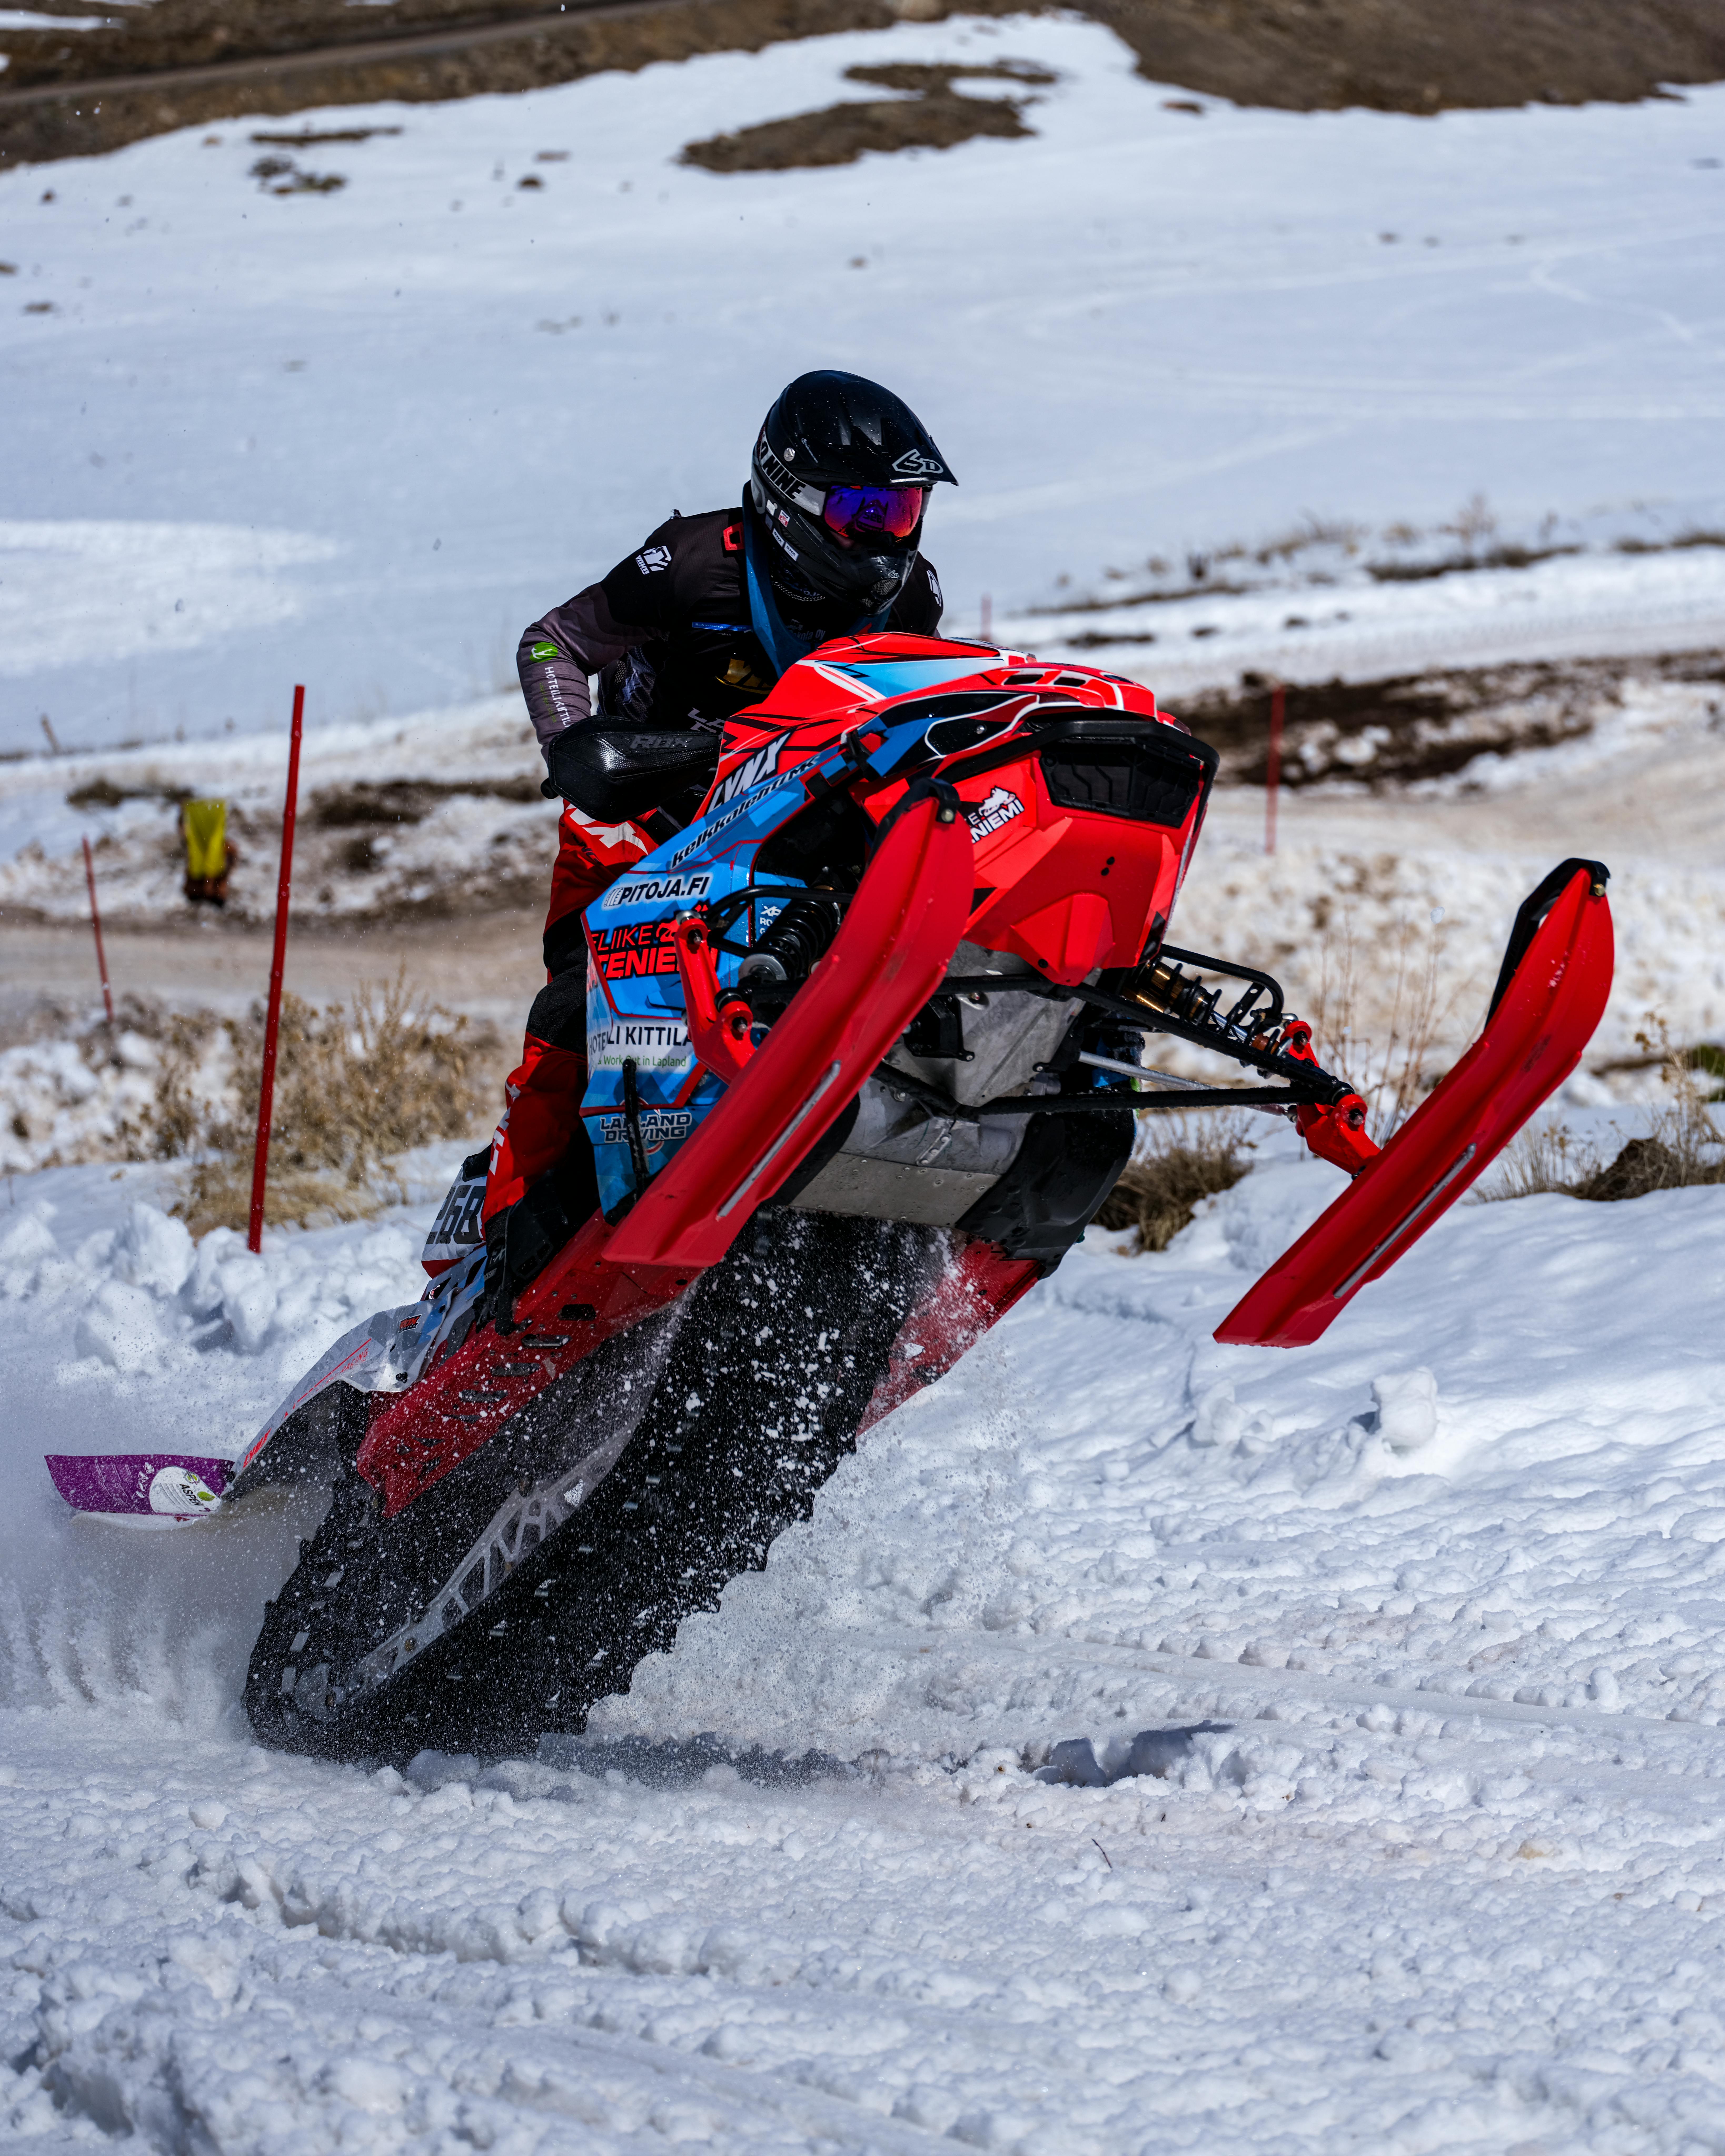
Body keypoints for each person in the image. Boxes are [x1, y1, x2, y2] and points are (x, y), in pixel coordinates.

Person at [473, 369, 957, 1289]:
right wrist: (574, 747)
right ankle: (507, 1237)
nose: (886, 537)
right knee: (573, 1017)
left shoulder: (914, 597)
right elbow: (551, 642)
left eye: (902, 512)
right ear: (789, 500)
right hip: (641, 823)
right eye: (865, 512)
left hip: (790, 834)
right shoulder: (695, 560)